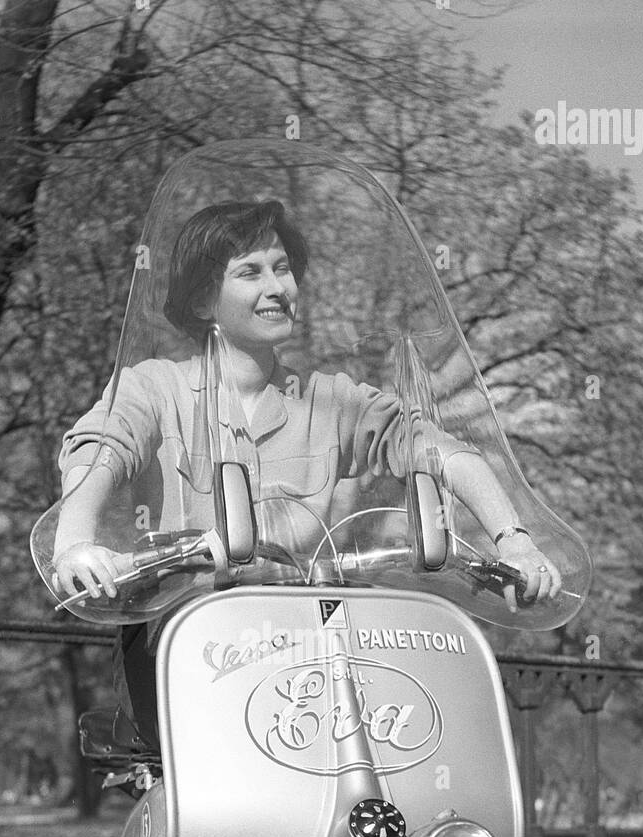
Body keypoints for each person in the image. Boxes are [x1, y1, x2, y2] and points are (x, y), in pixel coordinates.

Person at [49, 199, 561, 747]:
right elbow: (101, 450)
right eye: (250, 272)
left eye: (283, 268)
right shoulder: (155, 387)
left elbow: (439, 450)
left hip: (304, 651)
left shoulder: (327, 400)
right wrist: (75, 543)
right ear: (203, 300)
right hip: (182, 642)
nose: (277, 287)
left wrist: (515, 540)